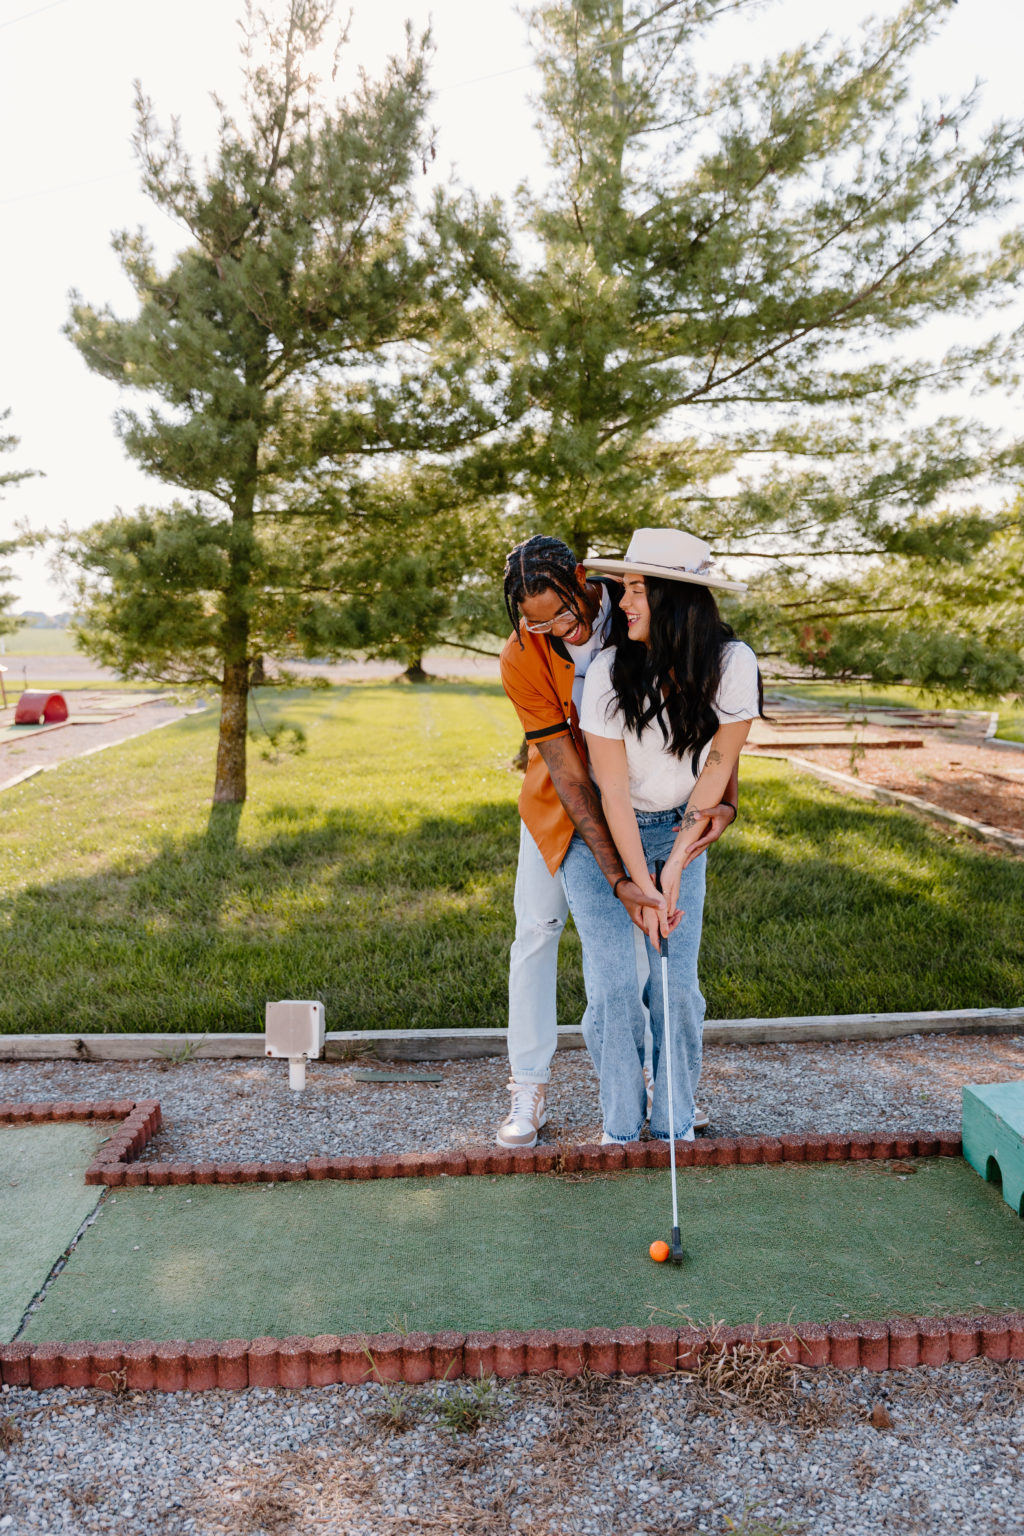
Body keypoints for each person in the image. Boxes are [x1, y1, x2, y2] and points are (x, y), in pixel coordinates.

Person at [497, 534, 740, 1147]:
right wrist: (620, 877)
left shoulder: (636, 609)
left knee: (645, 959)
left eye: (561, 614)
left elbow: (710, 723)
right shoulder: (522, 653)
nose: (555, 630)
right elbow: (571, 775)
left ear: (582, 581)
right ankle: (529, 1084)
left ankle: (662, 1088)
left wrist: (727, 800)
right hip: (562, 804)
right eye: (537, 623)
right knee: (537, 931)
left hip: (647, 804)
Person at [561, 526, 761, 1145]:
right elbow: (611, 793)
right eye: (626, 588)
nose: (623, 602)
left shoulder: (732, 663)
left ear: (676, 598)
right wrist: (637, 882)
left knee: (674, 989)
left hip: (681, 832)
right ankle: (621, 1132)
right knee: (619, 988)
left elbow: (719, 767)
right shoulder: (610, 670)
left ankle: (675, 1127)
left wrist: (673, 867)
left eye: (638, 589)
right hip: (600, 848)